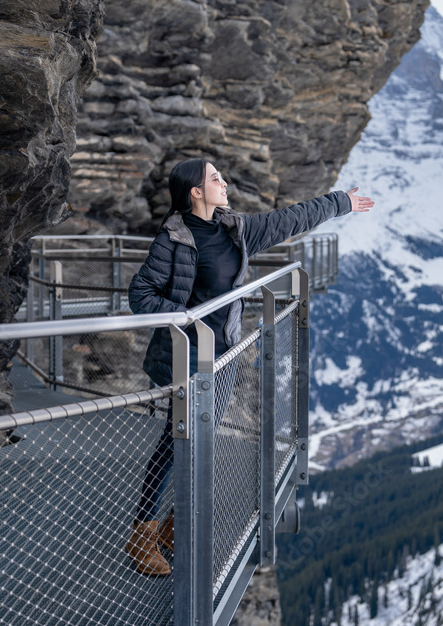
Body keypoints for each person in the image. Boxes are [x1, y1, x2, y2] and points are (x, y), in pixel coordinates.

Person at [125, 159, 373, 574]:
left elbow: (289, 220)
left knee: (200, 442)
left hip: (223, 355)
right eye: (214, 178)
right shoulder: (172, 239)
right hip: (189, 357)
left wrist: (340, 202)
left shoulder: (234, 229)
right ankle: (141, 538)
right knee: (175, 444)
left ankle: (172, 528)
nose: (224, 182)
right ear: (195, 192)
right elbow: (141, 294)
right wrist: (190, 317)